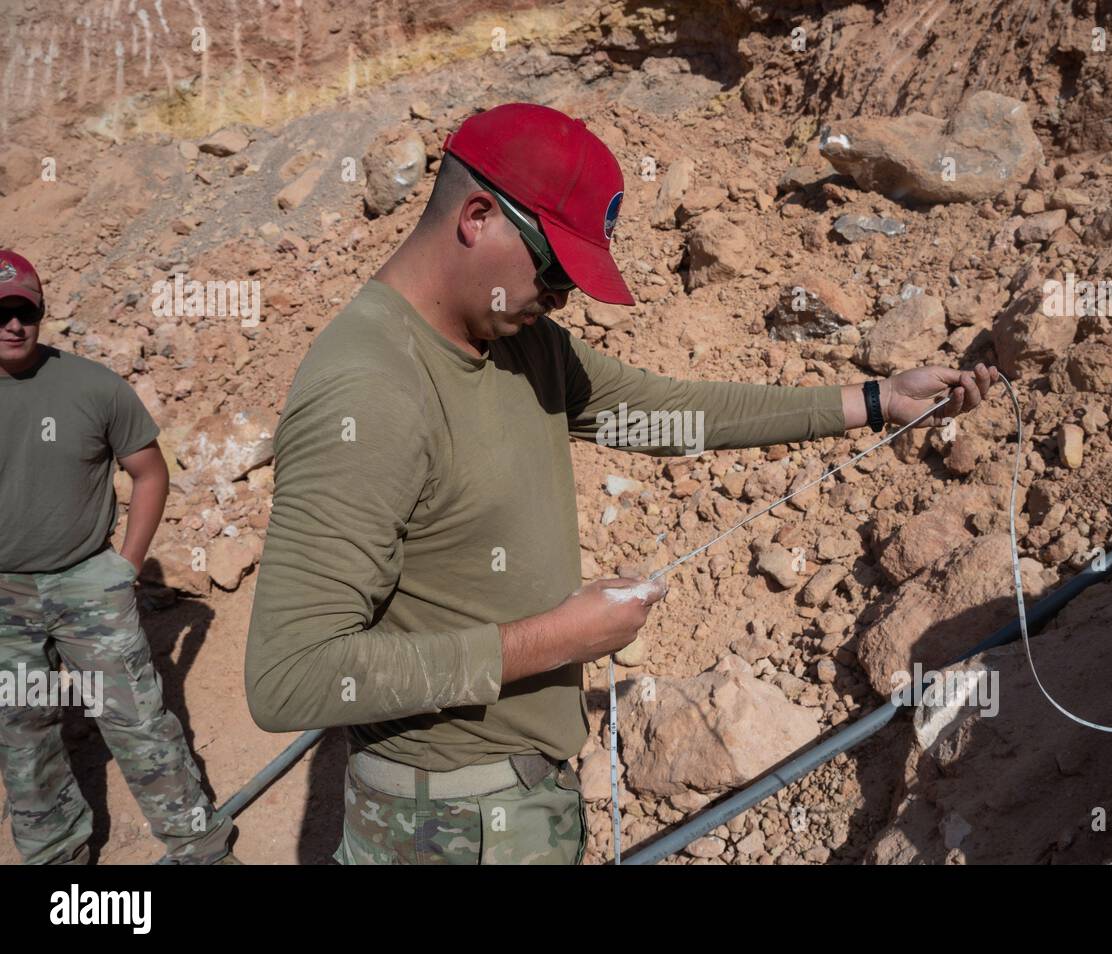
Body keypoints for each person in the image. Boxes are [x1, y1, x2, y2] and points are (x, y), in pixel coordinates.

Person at [244, 103, 993, 865]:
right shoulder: (368, 393)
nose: (561, 299)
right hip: (442, 829)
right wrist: (554, 641)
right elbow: (291, 677)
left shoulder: (521, 343)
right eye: (554, 272)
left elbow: (664, 412)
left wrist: (874, 400)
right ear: (477, 217)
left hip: (519, 804)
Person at [0, 250, 238, 865]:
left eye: (25, 311)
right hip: (4, 598)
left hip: (87, 582)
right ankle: (56, 854)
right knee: (22, 730)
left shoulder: (93, 387)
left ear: (41, 311)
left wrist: (125, 568)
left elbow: (150, 472)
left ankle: (199, 846)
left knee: (137, 719)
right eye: (0, 314)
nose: (14, 325)